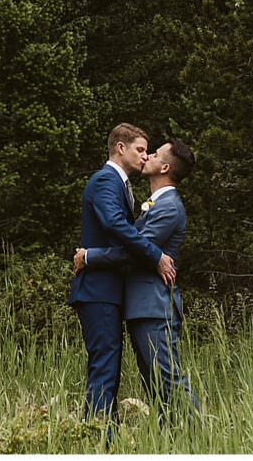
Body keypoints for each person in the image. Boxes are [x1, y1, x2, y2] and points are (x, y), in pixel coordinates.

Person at [73, 138, 199, 421]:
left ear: (164, 166)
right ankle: (173, 441)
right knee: (155, 385)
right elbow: (138, 247)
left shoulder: (168, 207)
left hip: (154, 306)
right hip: (141, 307)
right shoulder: (154, 205)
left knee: (167, 379)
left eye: (153, 153)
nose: (148, 156)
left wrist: (90, 256)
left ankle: (197, 439)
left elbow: (134, 253)